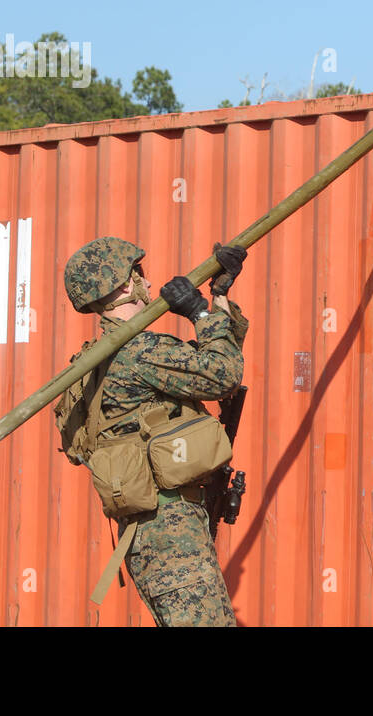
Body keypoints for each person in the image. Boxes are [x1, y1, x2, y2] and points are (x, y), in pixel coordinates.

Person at [61, 236, 249, 626]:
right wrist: (199, 312)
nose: (147, 281)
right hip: (170, 532)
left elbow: (209, 364)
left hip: (156, 531)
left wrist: (219, 298)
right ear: (127, 284)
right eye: (140, 273)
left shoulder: (95, 359)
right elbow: (223, 374)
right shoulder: (139, 352)